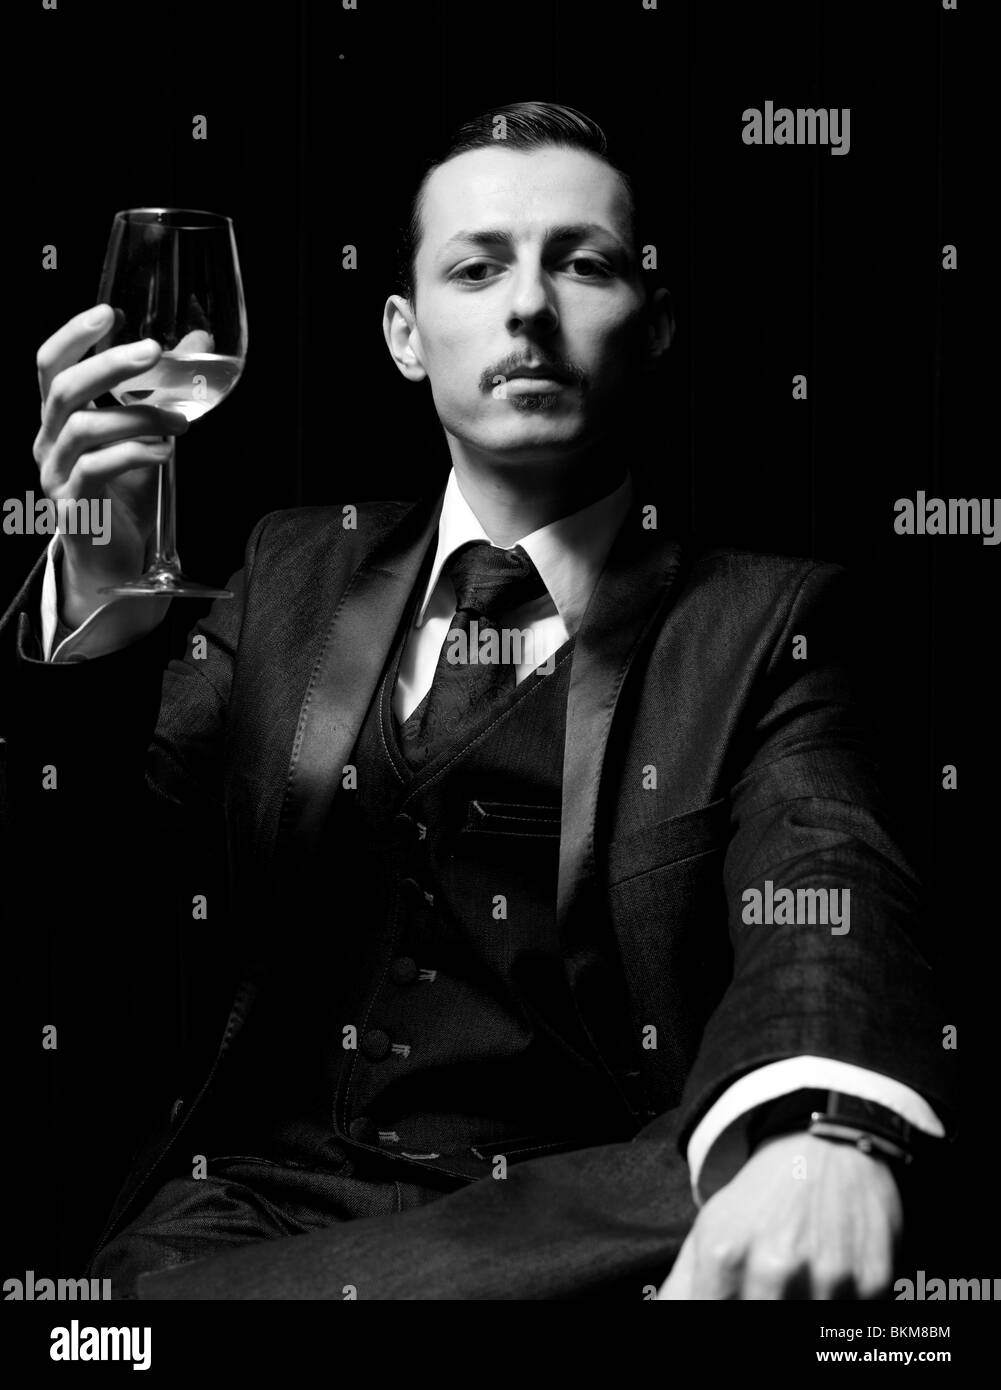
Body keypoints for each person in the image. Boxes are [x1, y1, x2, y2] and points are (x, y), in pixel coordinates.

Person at [3, 102, 955, 1300]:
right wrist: (96, 583)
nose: (526, 308)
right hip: (263, 1213)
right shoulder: (291, 570)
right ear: (405, 334)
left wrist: (822, 1127)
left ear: (653, 325)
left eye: (583, 263)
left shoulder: (765, 623)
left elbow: (827, 882)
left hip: (585, 1214)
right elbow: (90, 872)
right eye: (476, 266)